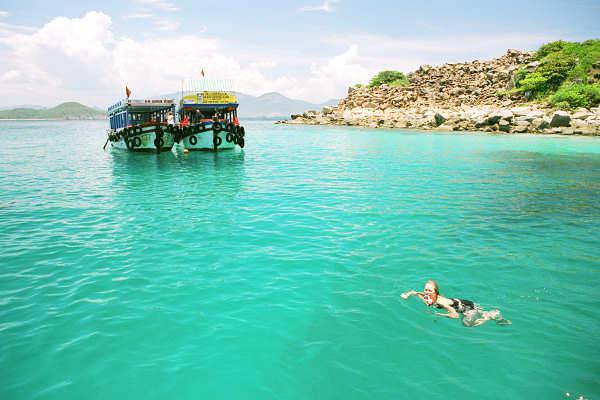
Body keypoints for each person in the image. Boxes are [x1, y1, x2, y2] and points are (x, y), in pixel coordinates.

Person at [401, 280, 510, 327]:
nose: (426, 292)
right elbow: (415, 292)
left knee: (467, 324)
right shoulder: (426, 296)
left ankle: (490, 315)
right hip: (461, 302)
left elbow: (455, 315)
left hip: (467, 307)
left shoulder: (441, 303)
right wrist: (407, 295)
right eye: (426, 289)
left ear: (436, 292)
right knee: (471, 318)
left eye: (430, 290)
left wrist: (441, 315)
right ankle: (497, 318)